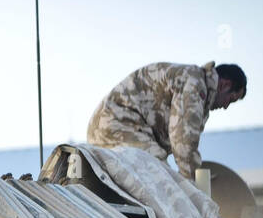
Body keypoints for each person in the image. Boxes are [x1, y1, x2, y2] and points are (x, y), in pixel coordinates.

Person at [86, 62, 246, 180]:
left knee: (160, 179)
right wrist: (193, 185)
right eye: (230, 99)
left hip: (116, 126)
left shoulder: (196, 85)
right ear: (225, 84)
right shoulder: (195, 83)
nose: (225, 106)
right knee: (161, 179)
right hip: (117, 124)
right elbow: (183, 139)